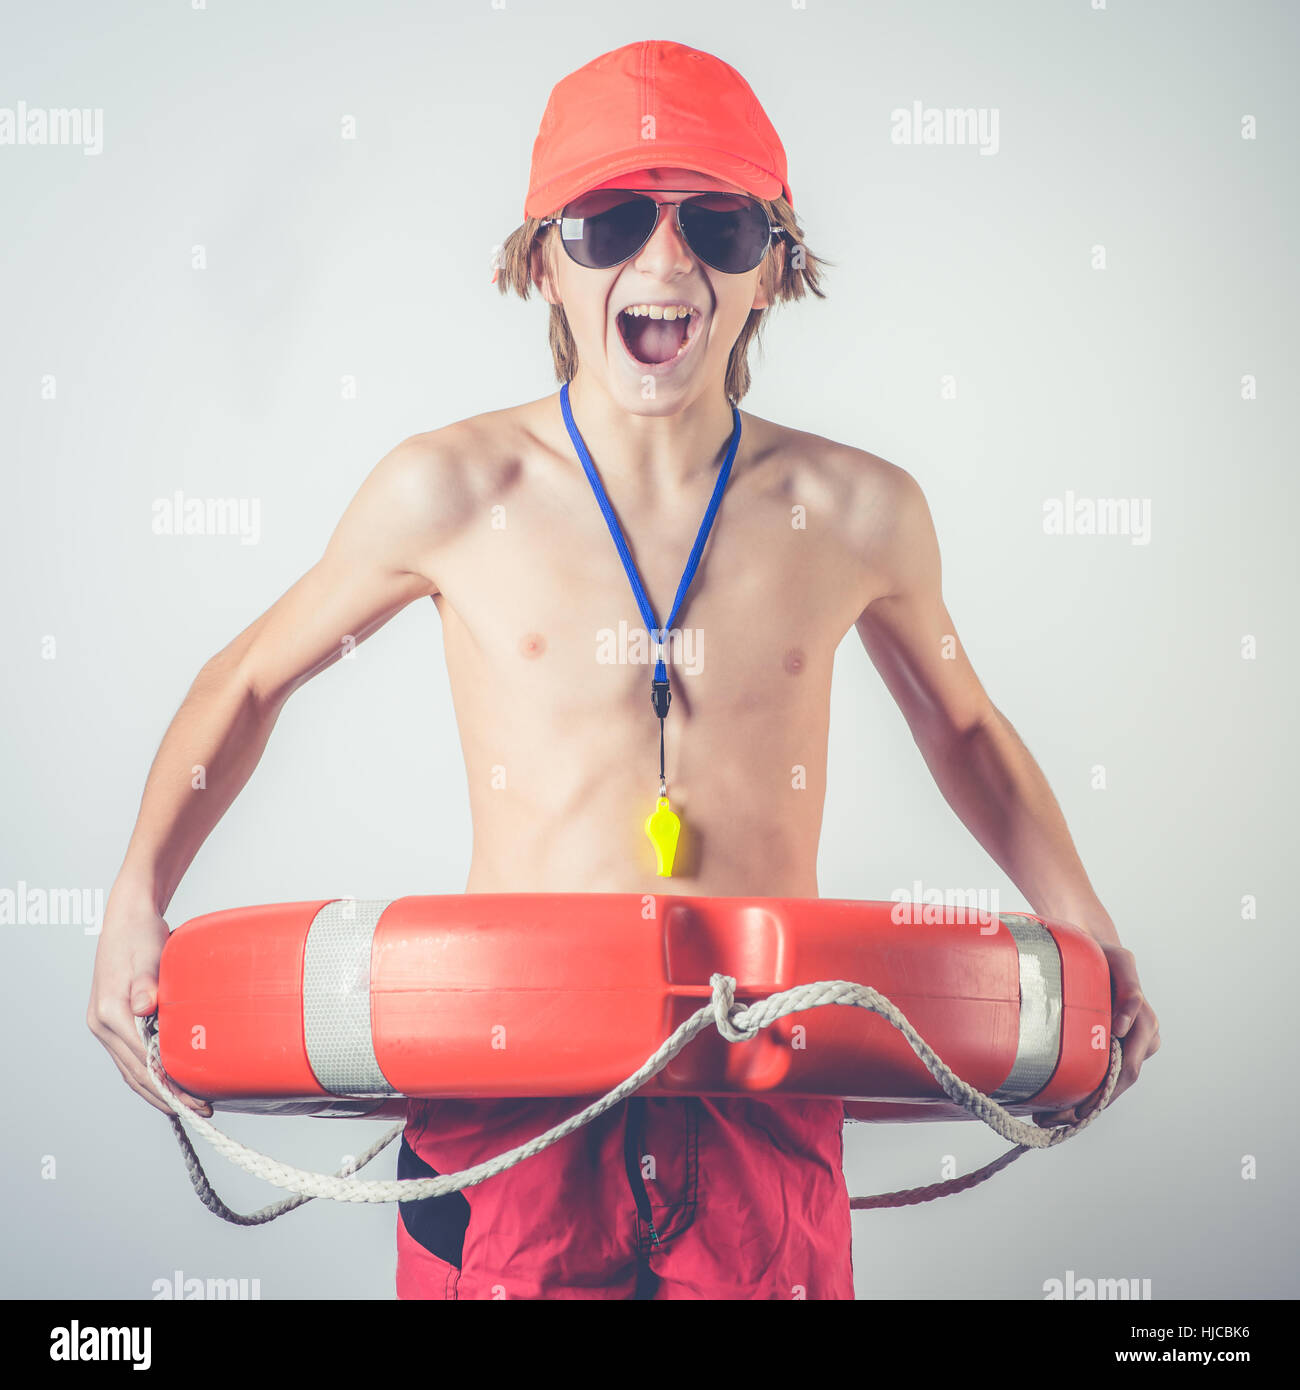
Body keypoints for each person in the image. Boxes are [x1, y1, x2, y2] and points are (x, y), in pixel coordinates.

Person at [87, 39, 1159, 1300]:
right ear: (541, 258)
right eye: (606, 223)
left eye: (716, 221)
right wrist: (133, 897)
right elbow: (251, 678)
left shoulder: (860, 511)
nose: (663, 261)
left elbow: (965, 731)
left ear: (774, 266)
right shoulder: (451, 489)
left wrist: (1081, 915)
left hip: (759, 1084)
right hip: (510, 1090)